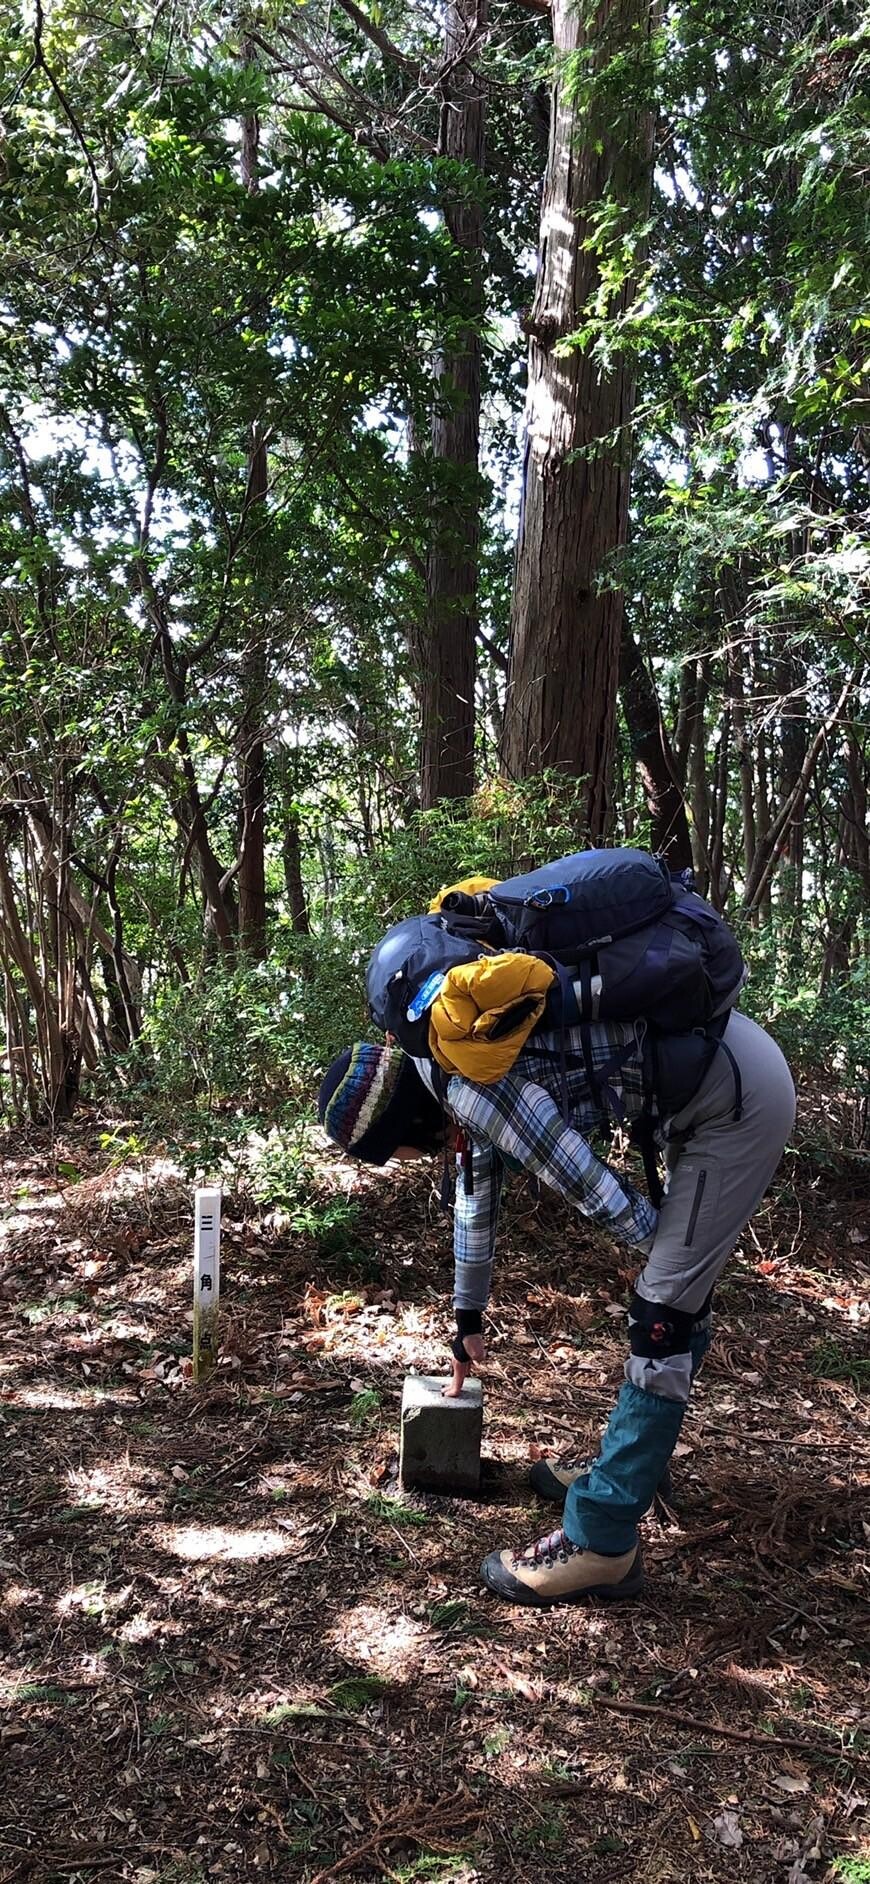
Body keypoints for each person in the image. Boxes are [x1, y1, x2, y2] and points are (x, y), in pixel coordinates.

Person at [318, 1009, 795, 1608]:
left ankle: (602, 1543)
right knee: (670, 1295)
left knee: (662, 1316)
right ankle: (632, 1471)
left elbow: (582, 1179)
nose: (413, 1158)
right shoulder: (448, 1061)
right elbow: (476, 1190)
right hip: (711, 1078)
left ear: (405, 1120)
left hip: (737, 1101)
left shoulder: (467, 1085)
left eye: (401, 1148)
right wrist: (467, 1314)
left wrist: (668, 1262)